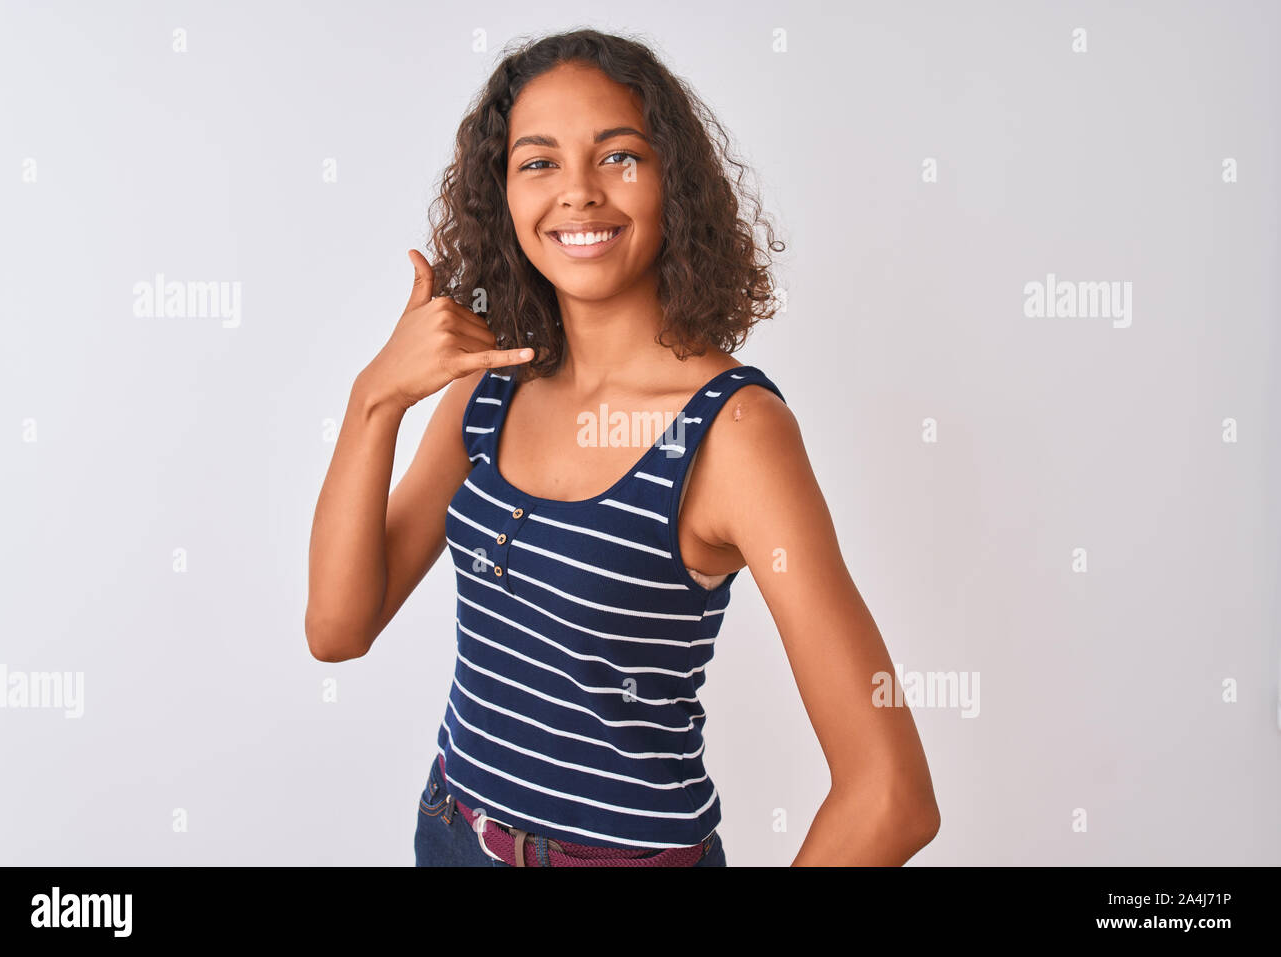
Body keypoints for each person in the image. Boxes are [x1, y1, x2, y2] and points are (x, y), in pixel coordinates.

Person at [305, 28, 939, 867]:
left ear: (672, 181)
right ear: (503, 195)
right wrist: (374, 398)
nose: (577, 193)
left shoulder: (733, 433)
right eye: (538, 162)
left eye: (618, 157)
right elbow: (338, 629)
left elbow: (892, 795)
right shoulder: (488, 387)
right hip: (452, 830)